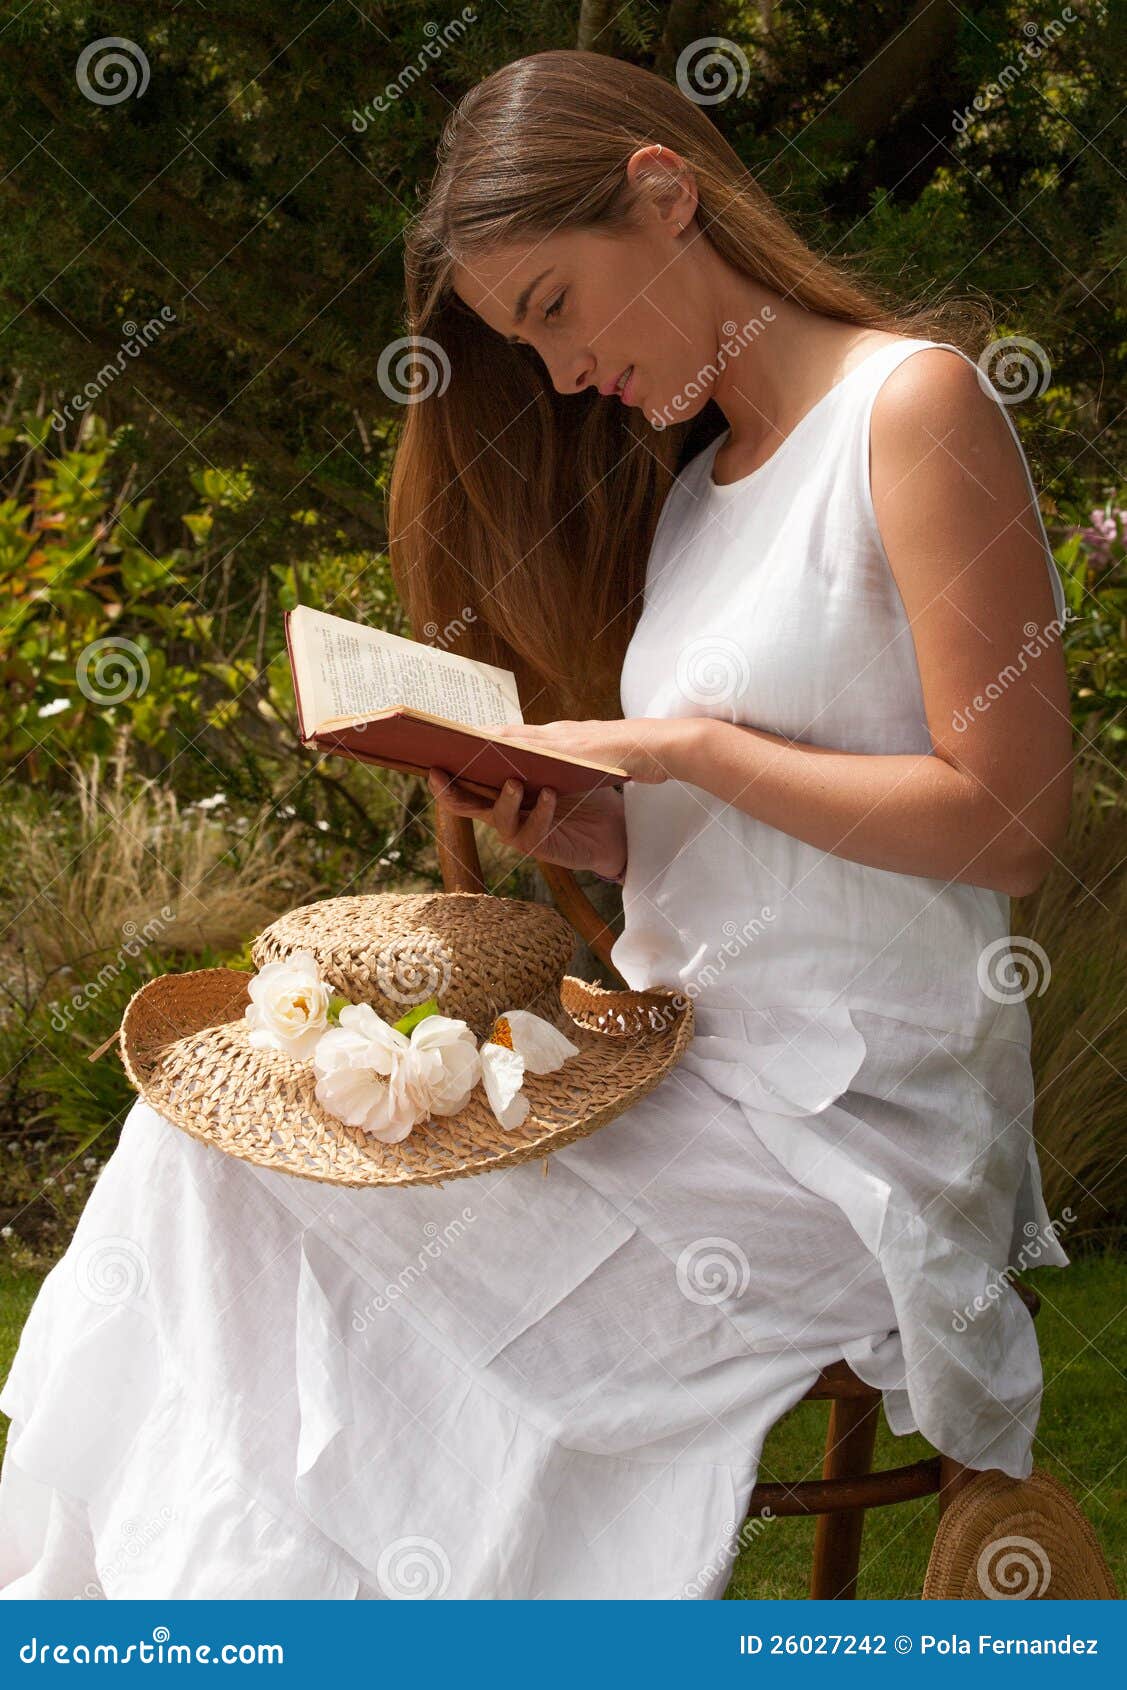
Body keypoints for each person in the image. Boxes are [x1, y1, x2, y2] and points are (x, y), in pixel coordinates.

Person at [0, 48, 1071, 1600]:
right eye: (525, 341)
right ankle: (132, 1604)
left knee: (338, 1237)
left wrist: (688, 743)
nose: (564, 375)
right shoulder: (706, 494)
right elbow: (760, 853)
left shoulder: (912, 409)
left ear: (663, 191)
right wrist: (593, 834)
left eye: (555, 309)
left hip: (849, 1130)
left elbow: (1009, 823)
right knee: (209, 1151)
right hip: (677, 1065)